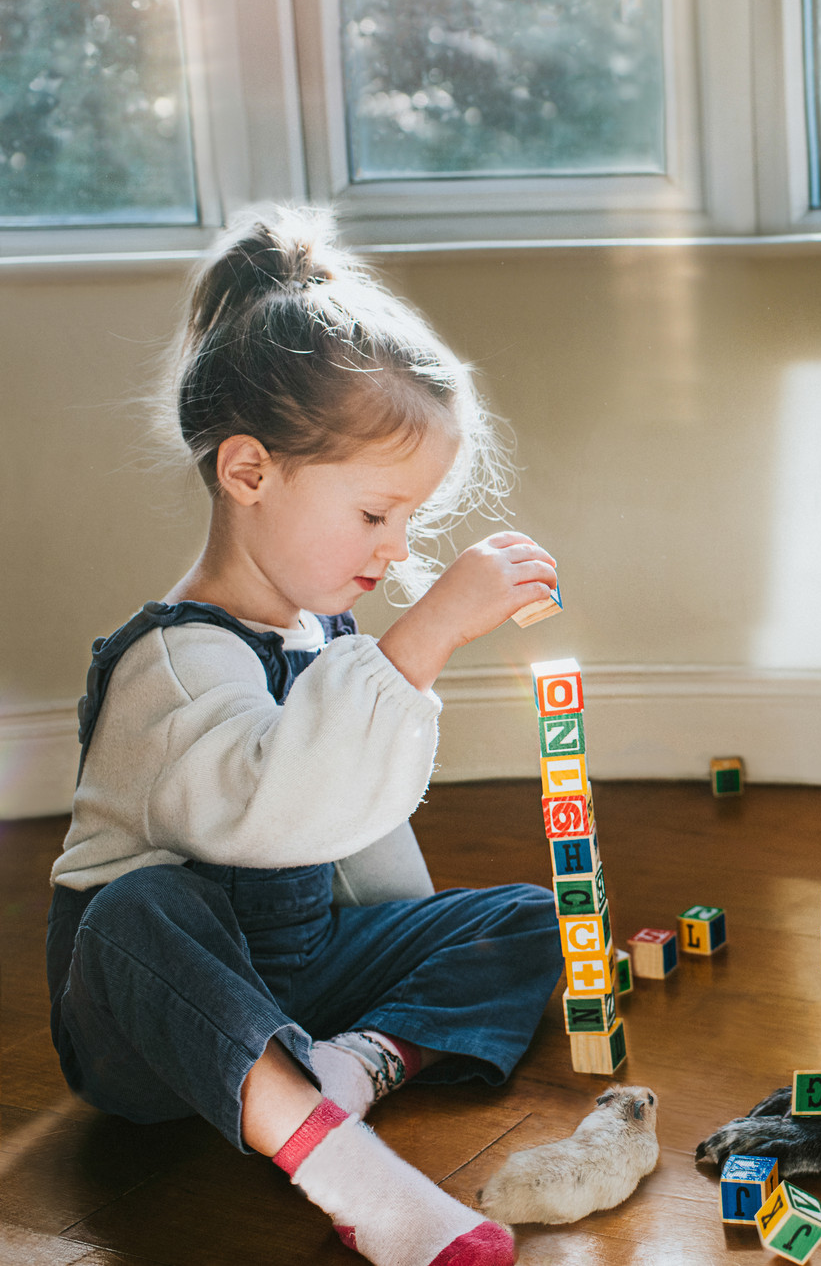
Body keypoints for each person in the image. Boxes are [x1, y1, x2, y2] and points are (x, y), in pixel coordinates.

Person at [45, 208, 562, 1266]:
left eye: (408, 522)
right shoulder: (178, 659)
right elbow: (277, 806)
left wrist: (416, 946)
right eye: (375, 514)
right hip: (145, 1021)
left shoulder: (320, 631)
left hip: (297, 976)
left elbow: (356, 825)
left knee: (525, 916)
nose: (396, 548)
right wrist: (417, 642)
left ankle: (342, 1068)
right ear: (248, 472)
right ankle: (354, 1176)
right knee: (139, 906)